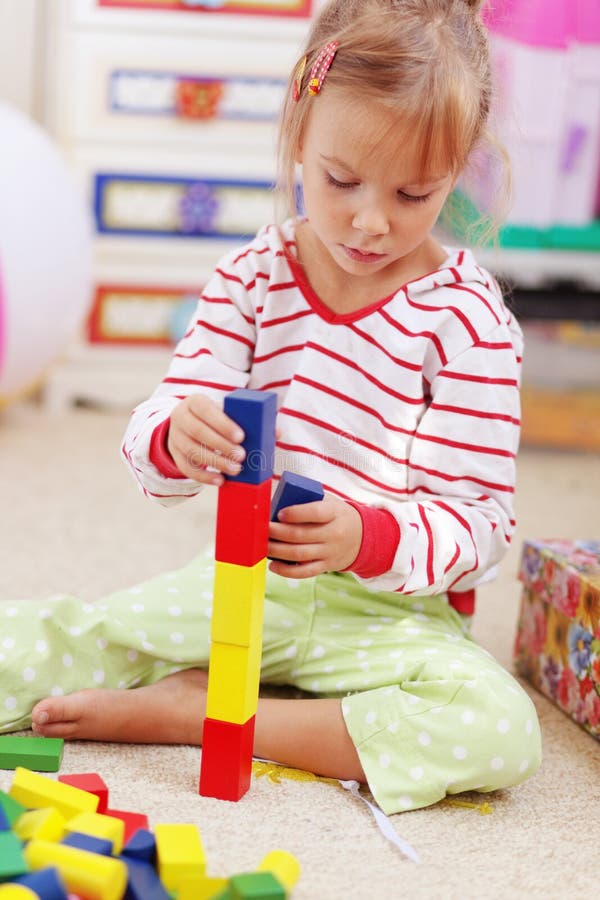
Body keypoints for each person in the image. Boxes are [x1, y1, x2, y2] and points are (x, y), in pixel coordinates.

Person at [2, 0, 542, 815]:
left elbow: (482, 528)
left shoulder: (468, 324)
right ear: (299, 134)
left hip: (388, 617)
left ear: (459, 169)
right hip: (239, 582)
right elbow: (161, 426)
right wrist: (178, 437)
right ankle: (235, 686)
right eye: (341, 180)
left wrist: (368, 535)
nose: (369, 220)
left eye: (412, 193)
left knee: (500, 730)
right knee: (55, 639)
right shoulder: (255, 277)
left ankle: (207, 713)